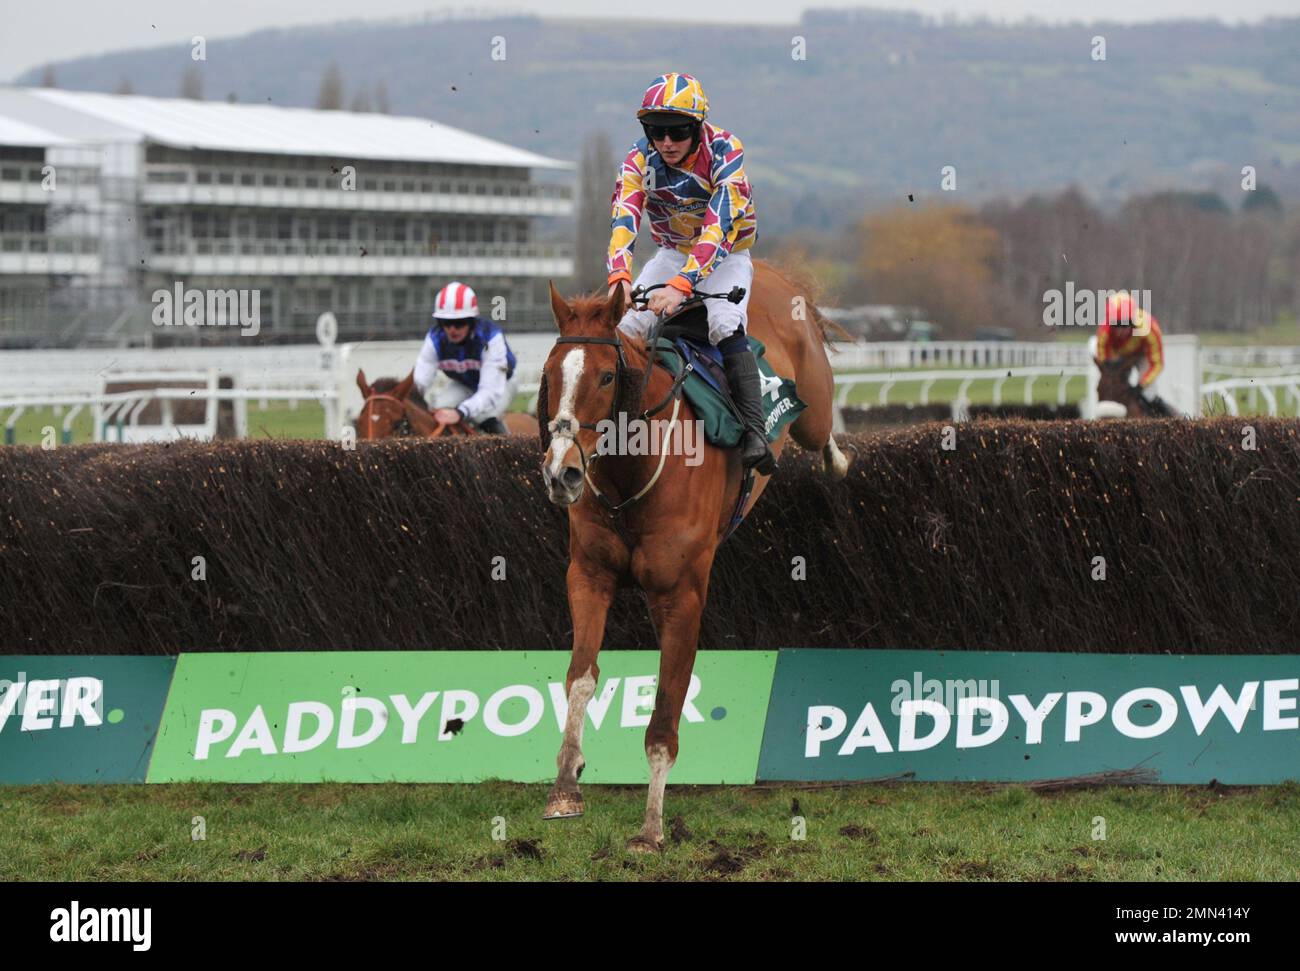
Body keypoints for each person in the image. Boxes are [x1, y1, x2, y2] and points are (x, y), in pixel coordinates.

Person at [606, 72, 774, 473]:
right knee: (626, 328)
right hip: (671, 252)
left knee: (724, 323)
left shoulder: (725, 150)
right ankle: (609, 428)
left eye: (678, 131)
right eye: (656, 131)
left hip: (727, 253)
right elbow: (624, 215)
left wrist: (682, 287)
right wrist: (619, 278)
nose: (666, 142)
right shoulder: (638, 158)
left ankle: (755, 431)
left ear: (698, 128)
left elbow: (718, 228)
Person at [413, 281, 518, 434]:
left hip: (501, 384)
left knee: (483, 415)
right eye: (446, 323)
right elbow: (419, 382)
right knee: (438, 408)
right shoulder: (434, 338)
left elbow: (489, 391)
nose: (452, 329)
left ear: (471, 321)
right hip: (463, 384)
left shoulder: (491, 338)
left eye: (459, 323)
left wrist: (460, 412)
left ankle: (510, 453)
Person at [1098, 292, 1174, 416]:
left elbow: (1157, 363)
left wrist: (1140, 386)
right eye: (1116, 325)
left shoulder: (1148, 328)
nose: (1120, 331)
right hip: (1118, 357)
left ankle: (1167, 416)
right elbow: (1103, 359)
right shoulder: (1104, 332)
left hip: (1142, 356)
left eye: (1125, 324)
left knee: (1148, 393)